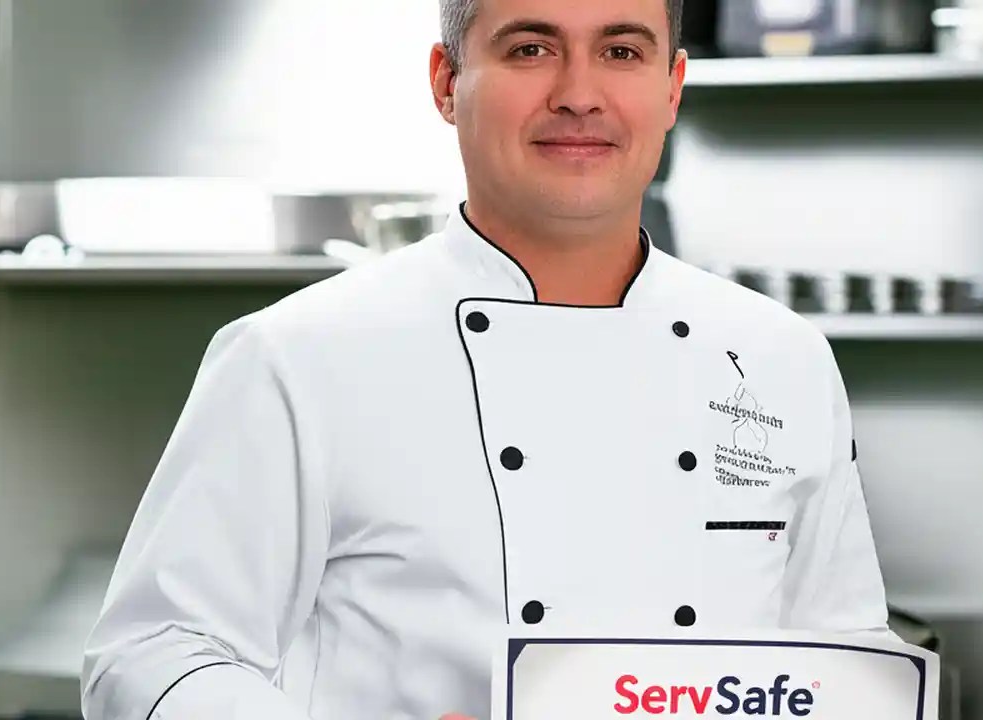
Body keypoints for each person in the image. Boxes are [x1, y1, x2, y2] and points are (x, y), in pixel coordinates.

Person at [80, 0, 894, 718]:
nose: (579, 94)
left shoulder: (781, 358)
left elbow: (849, 662)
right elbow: (152, 653)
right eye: (531, 49)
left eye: (621, 51)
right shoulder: (298, 358)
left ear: (673, 87)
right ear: (445, 81)